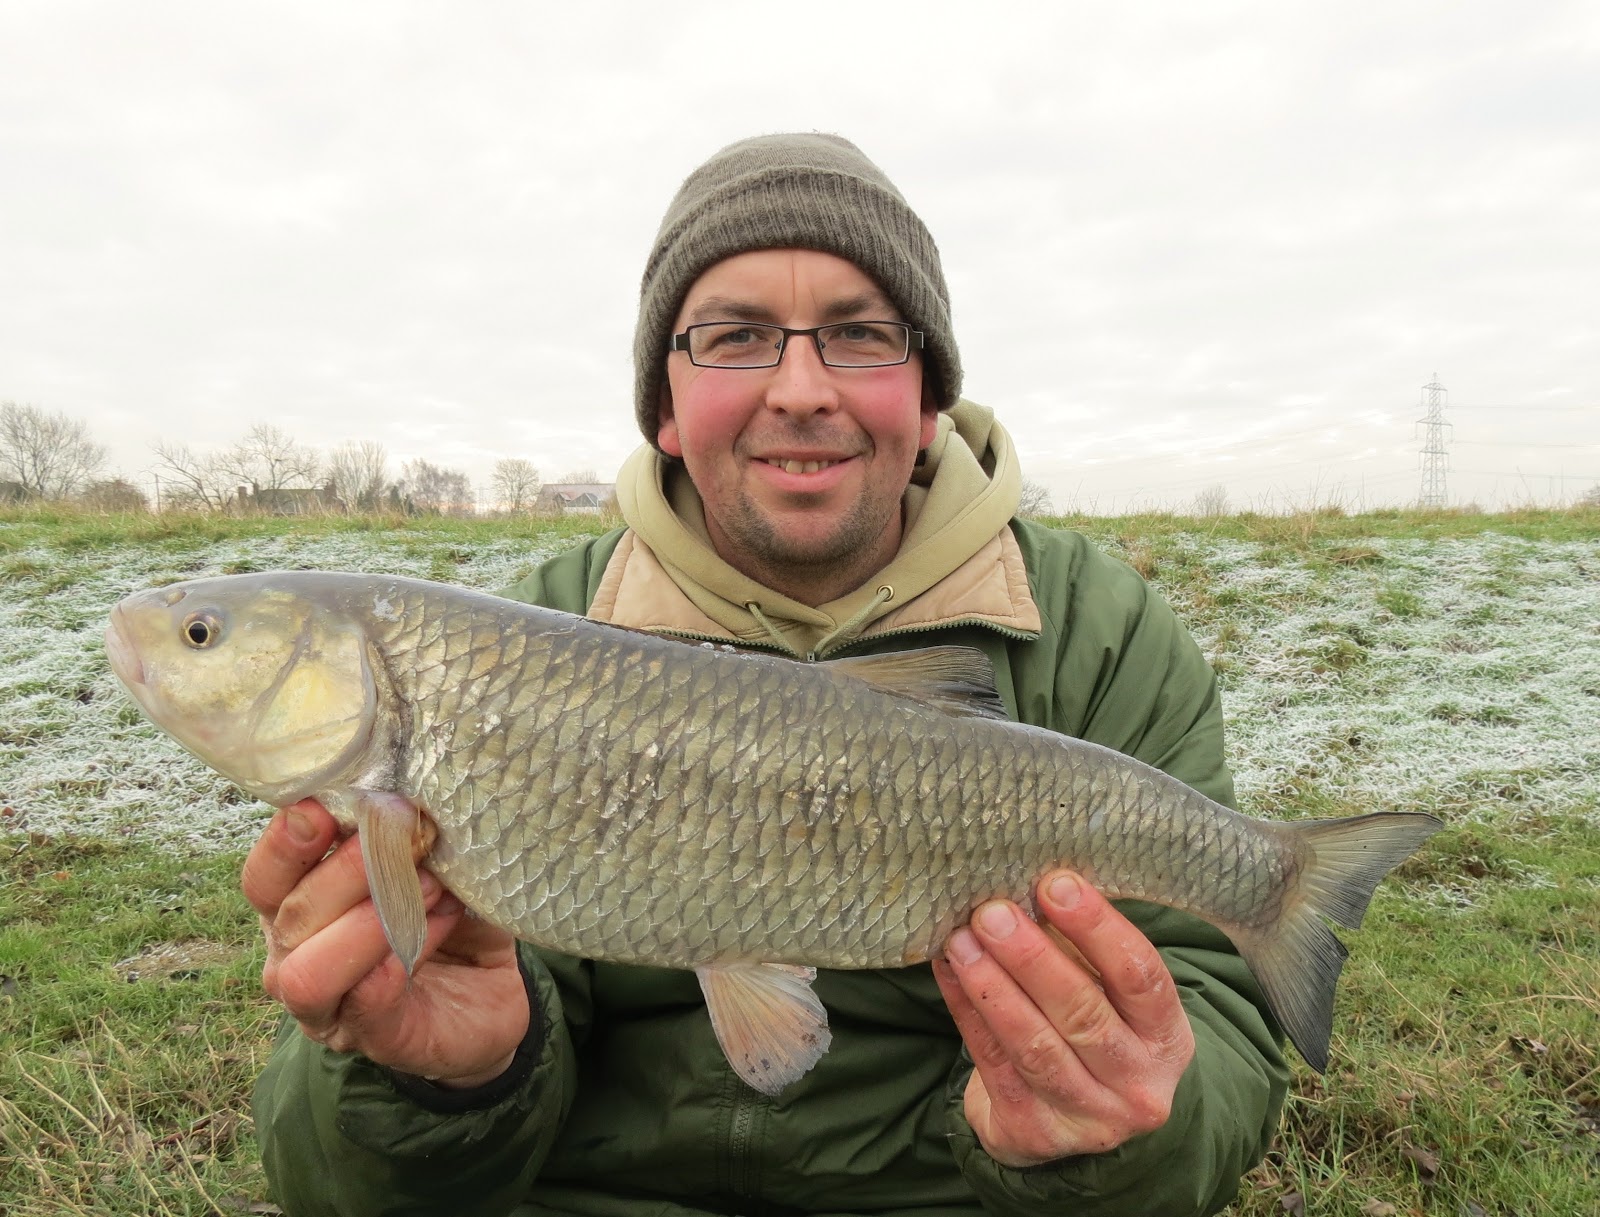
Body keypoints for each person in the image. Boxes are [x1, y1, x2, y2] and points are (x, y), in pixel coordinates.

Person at [246, 133, 1290, 1217]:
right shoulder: (524, 643)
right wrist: (442, 1076)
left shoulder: (1101, 632)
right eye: (736, 336)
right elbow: (340, 1184)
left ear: (928, 392)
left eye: (859, 335)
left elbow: (1210, 1028)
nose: (800, 389)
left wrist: (1109, 1143)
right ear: (662, 402)